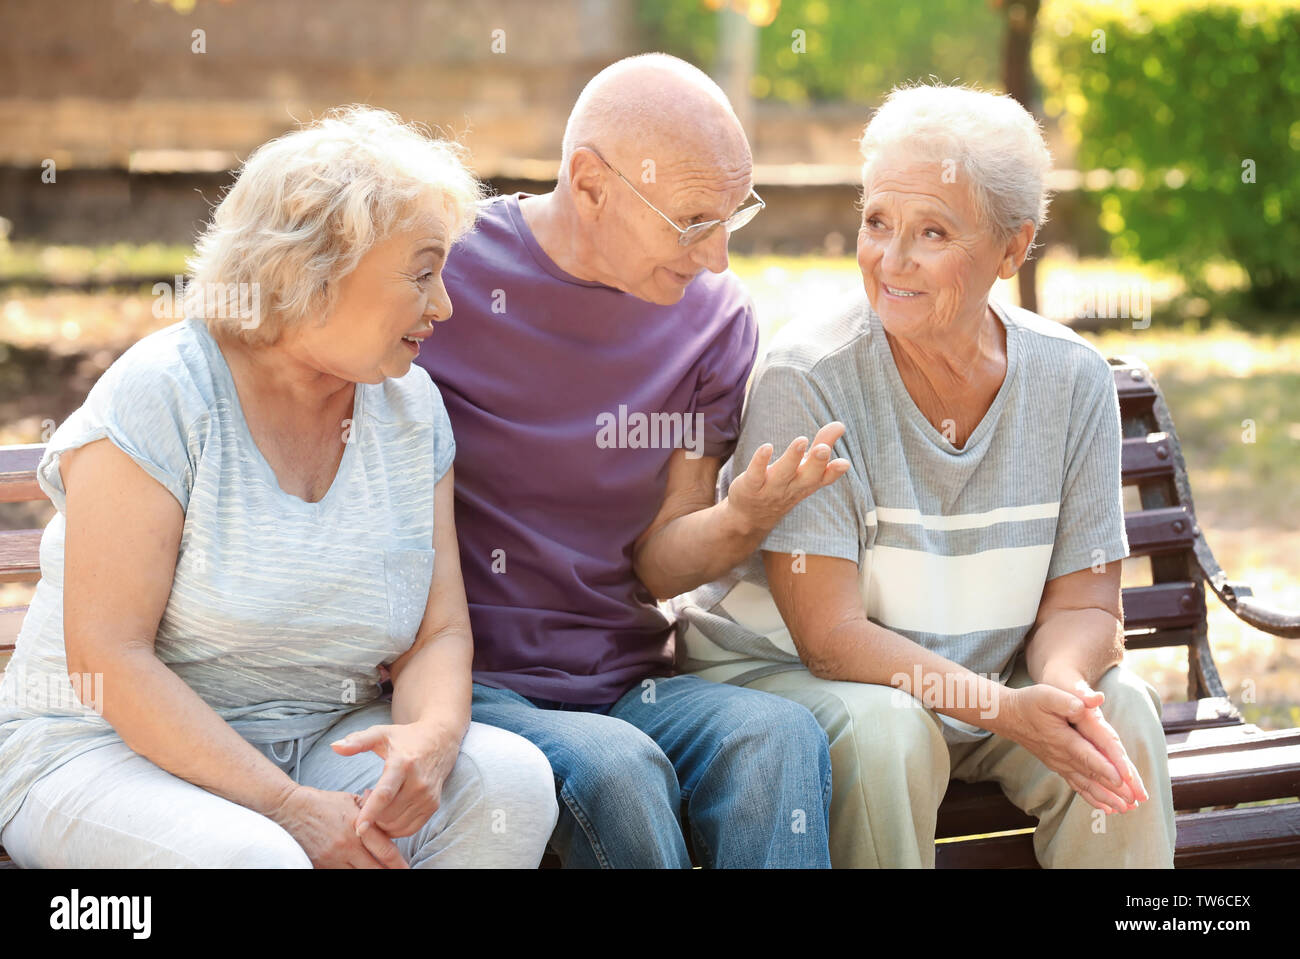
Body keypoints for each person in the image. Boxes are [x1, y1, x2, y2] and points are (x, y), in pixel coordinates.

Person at [0, 105, 558, 868]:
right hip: (100, 751)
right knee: (255, 857)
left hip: (319, 741)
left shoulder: (411, 407)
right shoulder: (165, 393)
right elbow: (109, 658)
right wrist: (288, 808)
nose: (444, 305)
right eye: (422, 272)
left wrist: (428, 741)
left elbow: (438, 631)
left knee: (510, 784)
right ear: (316, 265)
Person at [673, 82, 1177, 868]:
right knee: (889, 730)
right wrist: (1005, 706)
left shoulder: (1072, 380)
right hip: (799, 679)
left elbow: (1086, 599)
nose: (892, 261)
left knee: (1123, 713)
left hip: (988, 683)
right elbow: (833, 640)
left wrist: (1062, 694)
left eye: (933, 232)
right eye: (878, 223)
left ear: (1013, 248)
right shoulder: (810, 377)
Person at [418, 54, 848, 868]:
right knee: (619, 769)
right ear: (589, 184)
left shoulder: (714, 320)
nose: (717, 257)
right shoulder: (445, 272)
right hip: (469, 684)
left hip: (629, 682)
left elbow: (659, 561)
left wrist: (742, 517)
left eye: (733, 218)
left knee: (779, 736)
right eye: (692, 222)